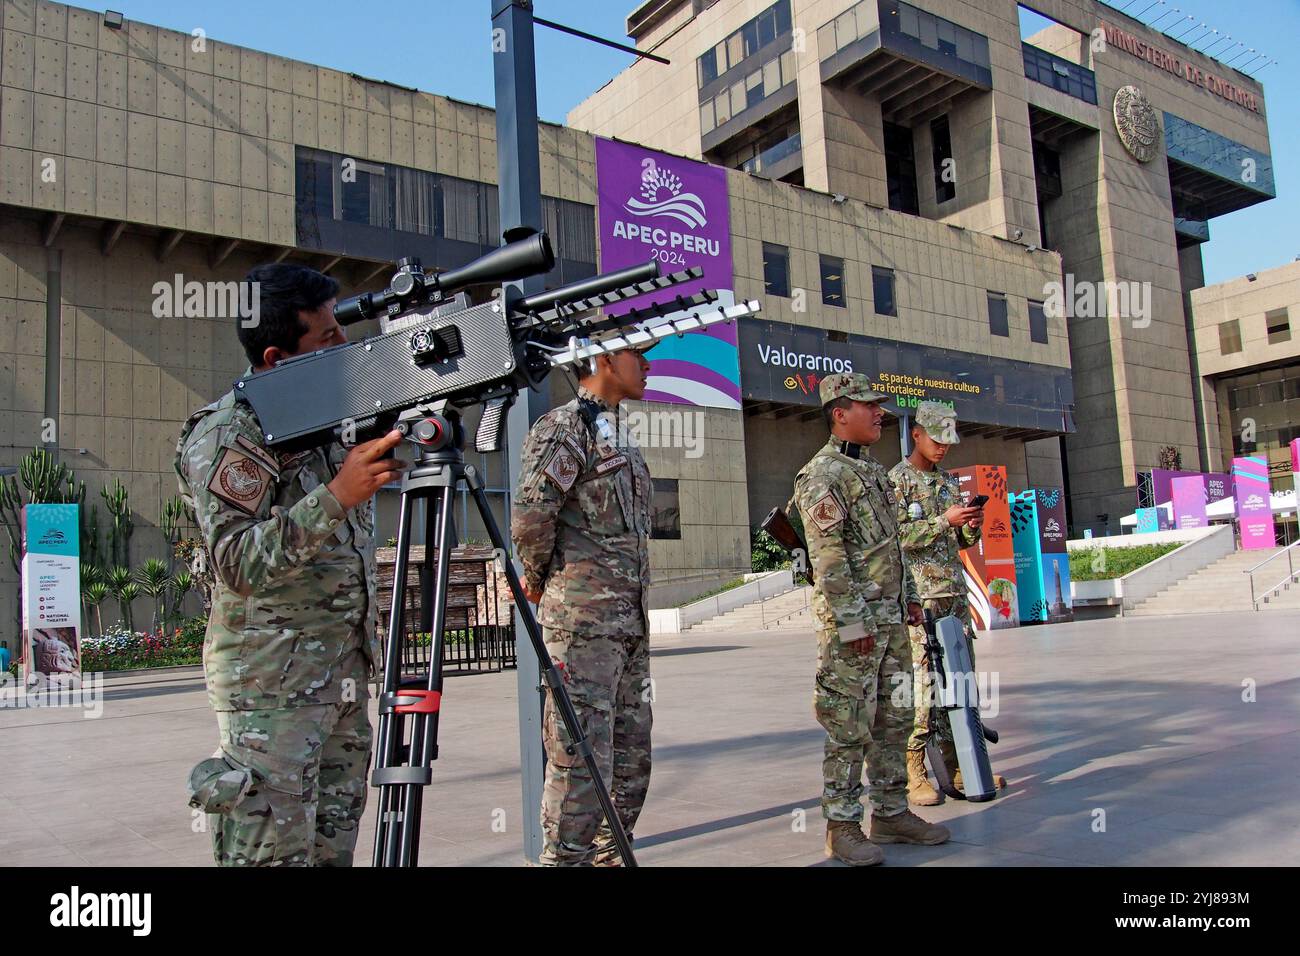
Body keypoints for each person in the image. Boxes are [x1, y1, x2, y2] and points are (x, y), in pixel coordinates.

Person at [176, 263, 405, 866]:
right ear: (278, 358)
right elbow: (235, 561)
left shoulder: (329, 421)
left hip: (343, 677)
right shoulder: (232, 431)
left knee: (332, 852)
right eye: (327, 338)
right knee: (272, 854)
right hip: (272, 689)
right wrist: (338, 495)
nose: (345, 346)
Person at [793, 373, 950, 866]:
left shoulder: (875, 473)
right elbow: (829, 558)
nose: (879, 412)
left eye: (879, 405)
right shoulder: (822, 475)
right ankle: (841, 826)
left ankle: (889, 812)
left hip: (889, 621)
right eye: (868, 405)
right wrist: (852, 622)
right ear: (840, 413)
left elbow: (893, 548)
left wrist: (906, 599)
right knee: (849, 723)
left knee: (895, 717)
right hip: (854, 626)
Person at [512, 345, 655, 866]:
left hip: (628, 627)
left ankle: (609, 855)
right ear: (602, 361)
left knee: (630, 759)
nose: (648, 366)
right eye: (638, 355)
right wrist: (537, 579)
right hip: (583, 627)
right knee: (579, 761)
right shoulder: (564, 428)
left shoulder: (618, 434)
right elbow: (531, 516)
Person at [889, 401, 1004, 803]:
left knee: (961, 684)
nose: (943, 449)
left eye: (948, 442)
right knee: (923, 688)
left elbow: (958, 542)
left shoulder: (949, 483)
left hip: (954, 597)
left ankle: (961, 765)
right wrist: (943, 521)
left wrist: (970, 526)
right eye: (937, 440)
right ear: (916, 434)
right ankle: (913, 769)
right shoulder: (896, 482)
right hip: (920, 599)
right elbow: (896, 539)